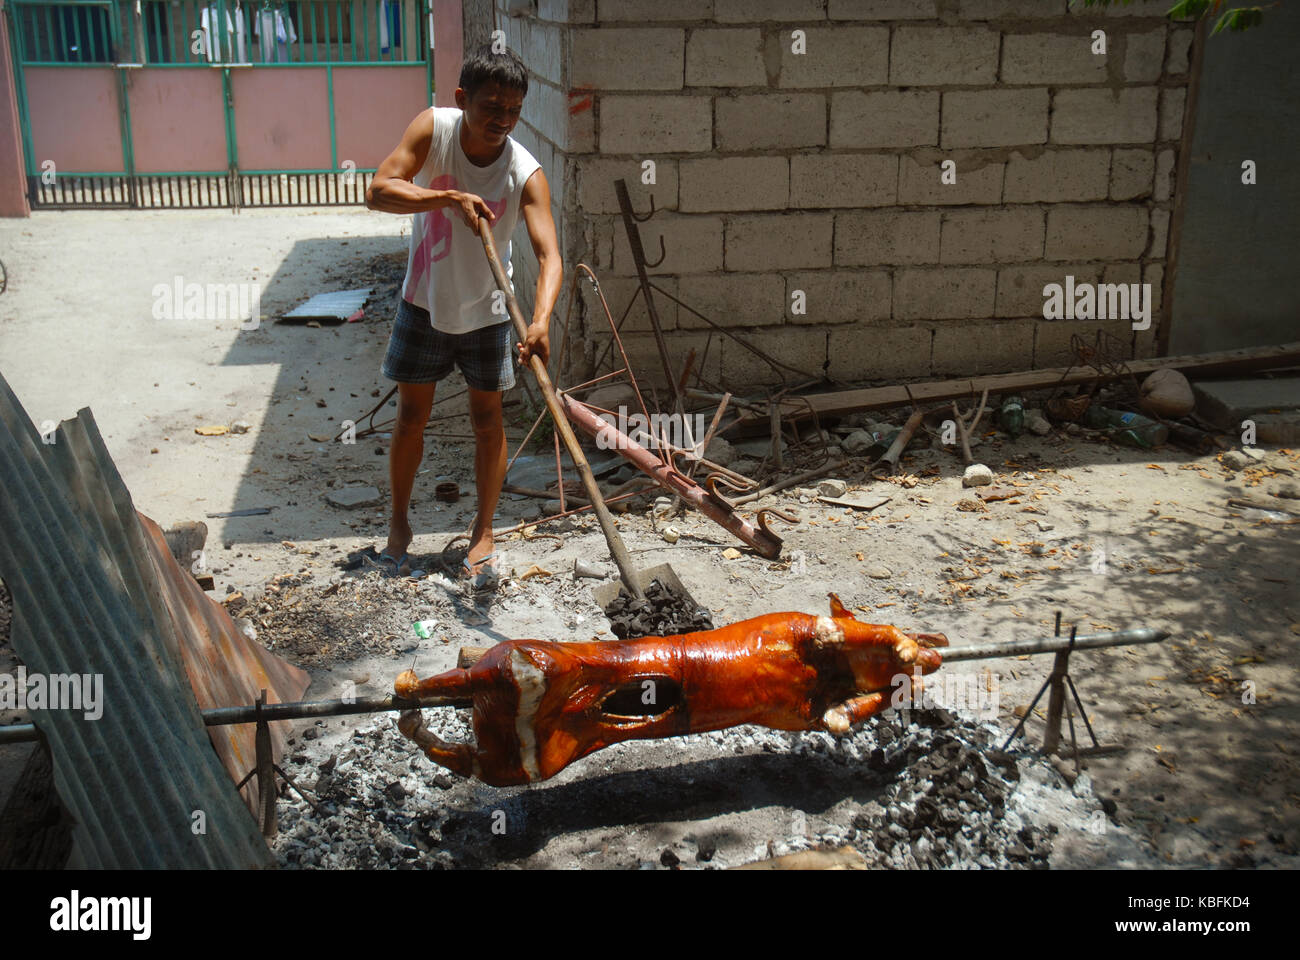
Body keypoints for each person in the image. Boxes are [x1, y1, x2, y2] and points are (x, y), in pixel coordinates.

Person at [365, 44, 561, 584]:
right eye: (490, 107)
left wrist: (540, 319)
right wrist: (445, 198)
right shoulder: (435, 130)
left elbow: (550, 255)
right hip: (424, 301)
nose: (501, 120)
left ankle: (484, 530)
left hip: (490, 313)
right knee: (410, 420)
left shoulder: (524, 171)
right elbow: (378, 190)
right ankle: (400, 528)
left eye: (513, 111)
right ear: (461, 98)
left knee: (487, 423)